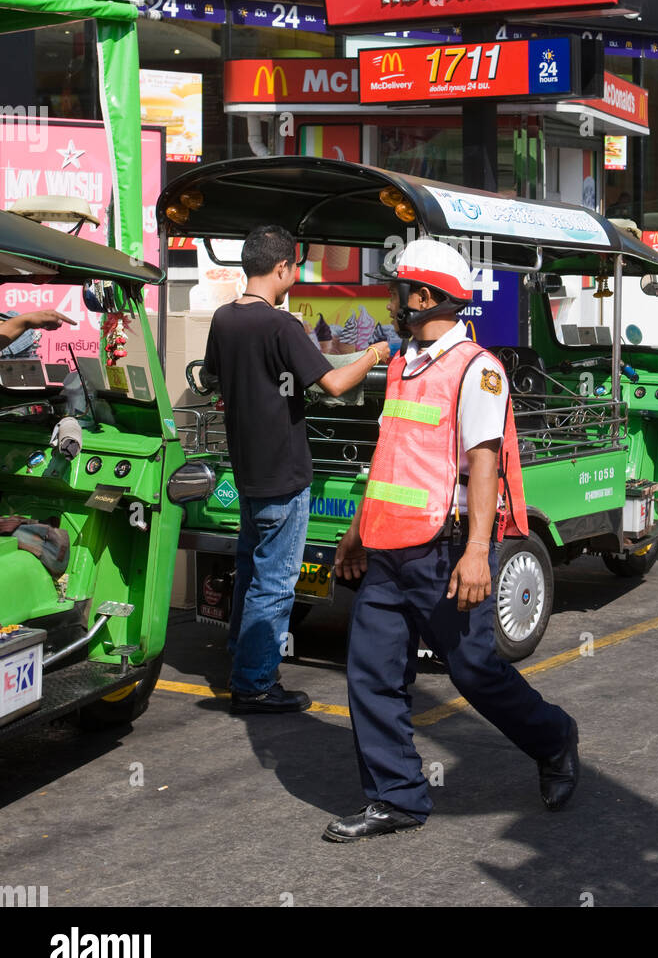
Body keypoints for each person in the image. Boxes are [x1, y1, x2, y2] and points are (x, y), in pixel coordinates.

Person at [323, 239, 578, 842]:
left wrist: (474, 552)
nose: (390, 301)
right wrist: (357, 534)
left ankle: (554, 738)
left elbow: (483, 464)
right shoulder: (401, 362)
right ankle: (397, 798)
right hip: (388, 548)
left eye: (398, 290)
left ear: (427, 297)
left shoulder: (477, 369)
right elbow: (390, 456)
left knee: (475, 673)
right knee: (371, 673)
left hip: (447, 548)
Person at [202, 225, 390, 714]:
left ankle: (241, 663)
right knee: (275, 581)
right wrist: (373, 354)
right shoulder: (281, 326)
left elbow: (210, 377)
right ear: (283, 267)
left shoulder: (224, 319)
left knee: (250, 572)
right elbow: (332, 384)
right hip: (283, 474)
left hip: (246, 471)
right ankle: (255, 685)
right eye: (295, 268)